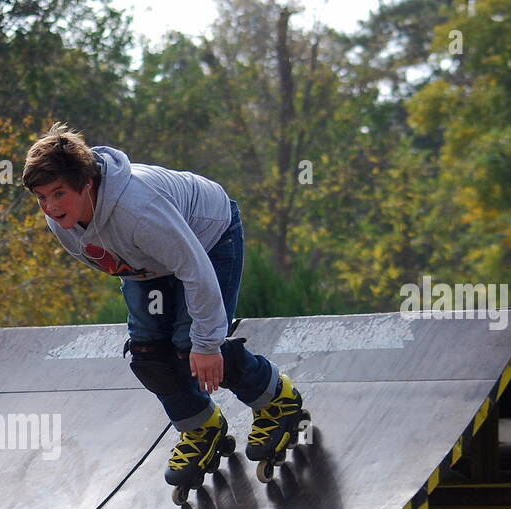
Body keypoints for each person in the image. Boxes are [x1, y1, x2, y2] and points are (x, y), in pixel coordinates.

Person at [22, 123, 307, 488]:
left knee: (194, 346)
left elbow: (195, 270)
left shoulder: (139, 210)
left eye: (58, 193)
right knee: (148, 355)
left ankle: (275, 399)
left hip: (207, 240)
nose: (50, 207)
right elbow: (117, 262)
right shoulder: (59, 222)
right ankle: (201, 427)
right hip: (149, 263)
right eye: (41, 197)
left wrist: (205, 345)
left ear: (86, 183)